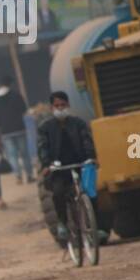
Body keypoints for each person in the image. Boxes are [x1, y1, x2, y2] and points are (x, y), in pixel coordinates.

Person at [37, 90, 97, 242]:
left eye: (63, 105)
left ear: (68, 104)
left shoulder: (78, 123)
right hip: (58, 170)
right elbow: (43, 147)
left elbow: (87, 141)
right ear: (51, 108)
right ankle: (62, 224)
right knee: (58, 193)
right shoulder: (45, 127)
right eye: (57, 106)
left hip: (79, 165)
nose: (60, 108)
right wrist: (46, 165)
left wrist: (91, 158)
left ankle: (98, 227)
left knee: (91, 192)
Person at [0, 75, 33, 185]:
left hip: (5, 131)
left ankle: (18, 177)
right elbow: (23, 109)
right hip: (19, 128)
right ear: (10, 84)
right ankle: (29, 175)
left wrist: (1, 124)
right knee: (24, 154)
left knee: (12, 156)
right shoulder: (15, 95)